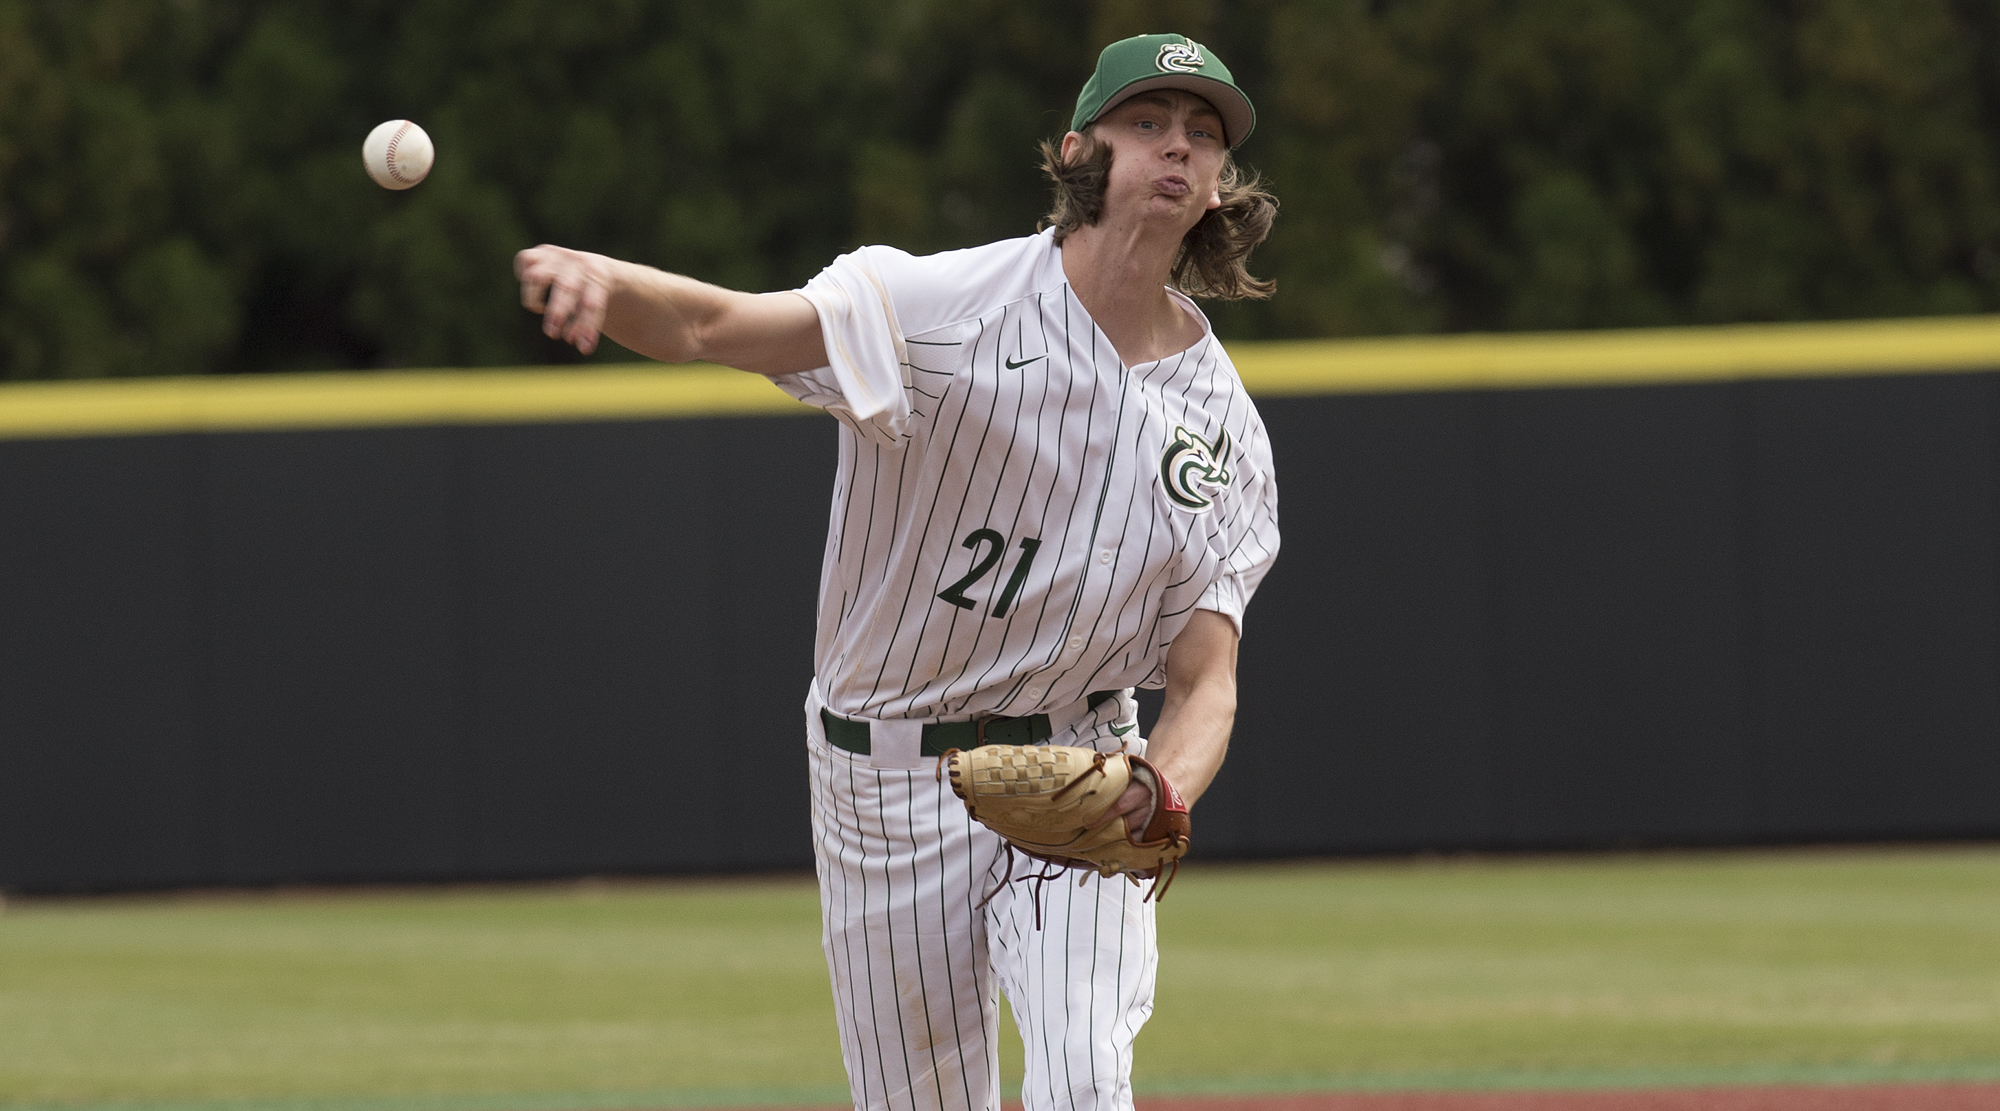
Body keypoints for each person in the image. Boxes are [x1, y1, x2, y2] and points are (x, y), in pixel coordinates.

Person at [514, 32, 1280, 1111]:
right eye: (1145, 123)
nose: (1177, 148)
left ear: (1213, 186)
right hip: (883, 777)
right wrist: (605, 276)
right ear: (1077, 151)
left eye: (1202, 135)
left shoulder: (1222, 429)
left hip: (1079, 766)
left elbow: (1206, 678)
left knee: (1081, 1081)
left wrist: (1156, 793)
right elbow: (715, 324)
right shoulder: (942, 308)